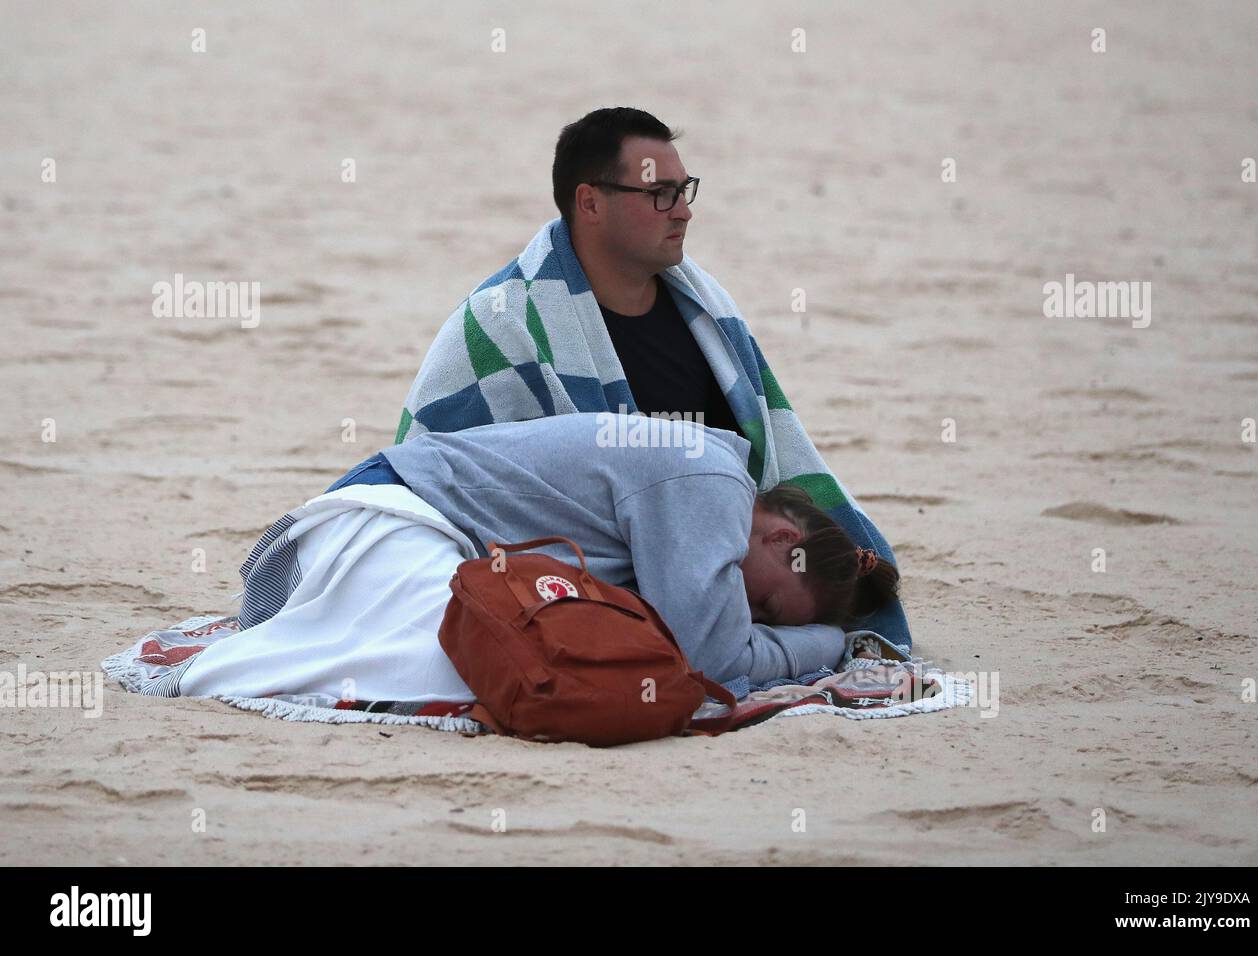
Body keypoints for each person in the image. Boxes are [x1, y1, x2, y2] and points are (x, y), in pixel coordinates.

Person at [394, 106, 914, 654]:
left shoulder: (706, 311)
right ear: (589, 202)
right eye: (660, 193)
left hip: (712, 561)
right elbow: (429, 478)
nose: (684, 212)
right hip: (566, 579)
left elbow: (770, 458)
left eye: (685, 190)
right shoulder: (503, 322)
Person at [172, 413, 899, 708]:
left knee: (522, 670)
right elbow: (715, 658)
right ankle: (211, 674)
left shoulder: (705, 481)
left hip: (385, 546)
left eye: (766, 617)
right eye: (767, 603)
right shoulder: (708, 482)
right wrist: (822, 645)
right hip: (383, 525)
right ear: (782, 541)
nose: (750, 615)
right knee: (476, 673)